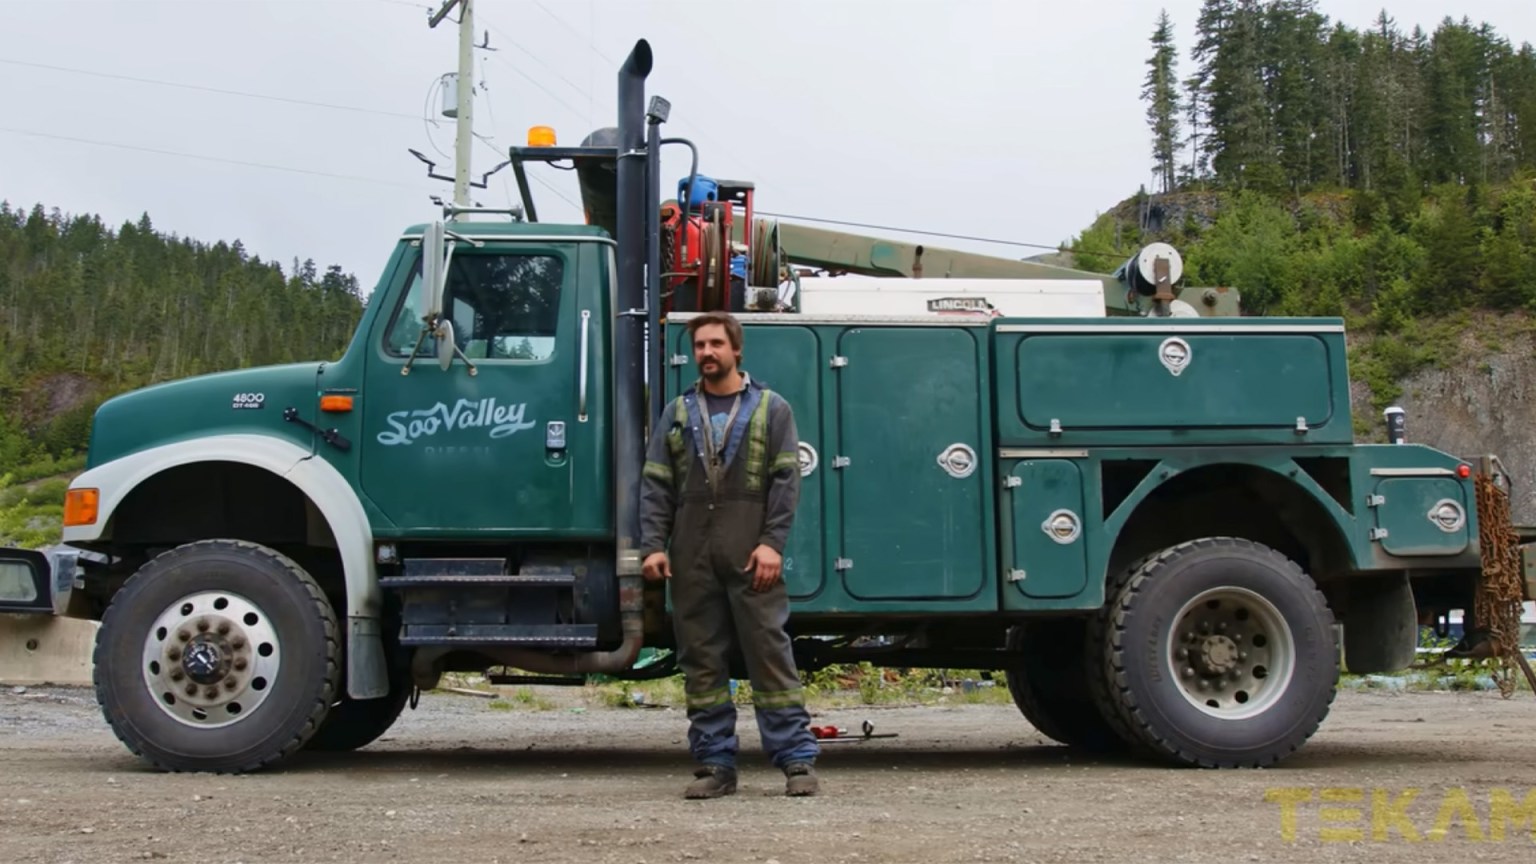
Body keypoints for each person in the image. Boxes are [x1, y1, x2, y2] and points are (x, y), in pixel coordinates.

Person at [638, 310, 821, 799]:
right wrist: (654, 545)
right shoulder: (677, 412)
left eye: (716, 344)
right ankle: (715, 765)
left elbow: (786, 482)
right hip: (691, 551)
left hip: (750, 549)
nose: (707, 353)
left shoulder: (771, 409)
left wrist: (771, 544)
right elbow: (656, 485)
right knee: (701, 661)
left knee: (769, 655)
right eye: (699, 346)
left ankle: (797, 761)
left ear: (736, 350)